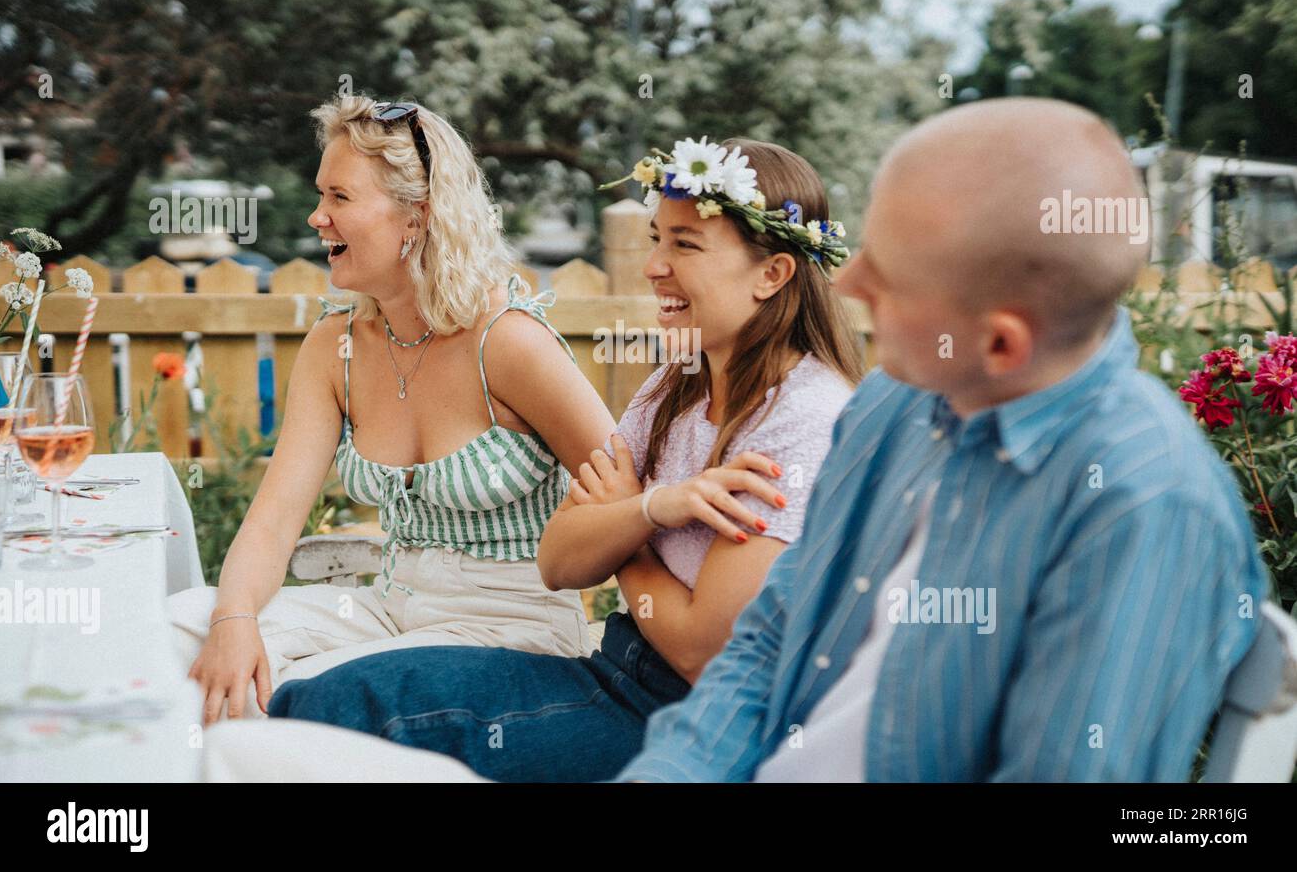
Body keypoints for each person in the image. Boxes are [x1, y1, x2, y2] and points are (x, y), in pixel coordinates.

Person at [616, 97, 1271, 782]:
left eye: (892, 271)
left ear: (999, 341)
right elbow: (770, 640)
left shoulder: (1144, 507)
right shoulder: (893, 402)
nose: (846, 279)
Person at [199, 137, 862, 781]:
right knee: (282, 679)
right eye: (657, 238)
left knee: (332, 706)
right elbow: (562, 559)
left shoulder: (800, 420)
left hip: (678, 713)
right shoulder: (677, 385)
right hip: (615, 667)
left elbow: (698, 652)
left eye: (683, 244)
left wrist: (627, 519)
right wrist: (644, 511)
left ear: (773, 273)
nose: (654, 264)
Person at [168, 95, 615, 725]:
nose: (316, 217)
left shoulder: (509, 342)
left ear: (416, 216)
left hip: (514, 631)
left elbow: (628, 495)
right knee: (175, 632)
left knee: (295, 695)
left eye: (339, 198)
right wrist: (235, 621)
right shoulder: (336, 346)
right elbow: (272, 524)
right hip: (387, 606)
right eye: (321, 195)